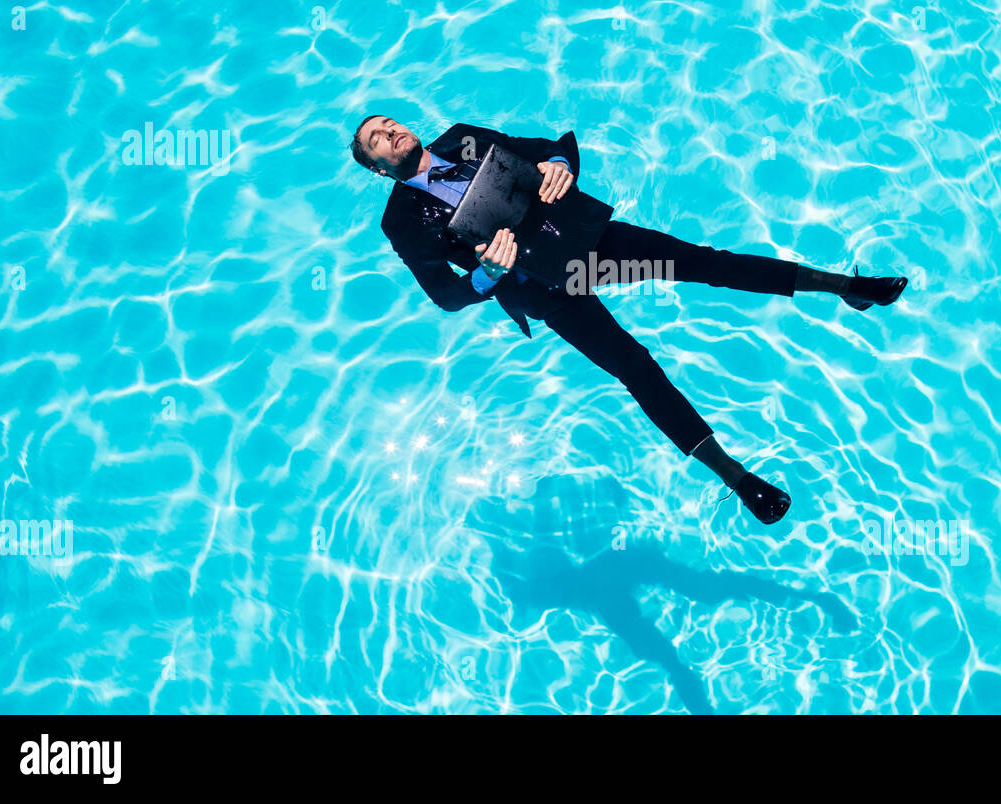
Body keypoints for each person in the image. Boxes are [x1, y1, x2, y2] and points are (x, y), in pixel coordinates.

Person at [350, 116, 907, 525]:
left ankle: (847, 287)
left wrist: (558, 167)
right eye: (378, 139)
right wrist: (487, 275)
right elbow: (446, 296)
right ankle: (738, 479)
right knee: (636, 366)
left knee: (706, 263)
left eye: (389, 123)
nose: (391, 132)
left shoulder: (464, 137)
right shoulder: (401, 221)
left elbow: (553, 144)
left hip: (587, 242)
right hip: (547, 287)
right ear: (378, 168)